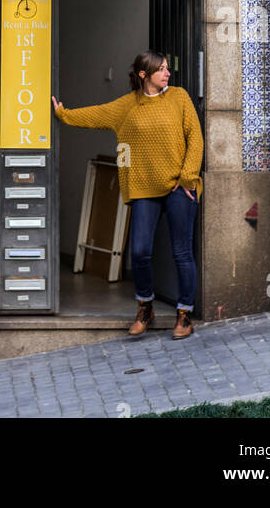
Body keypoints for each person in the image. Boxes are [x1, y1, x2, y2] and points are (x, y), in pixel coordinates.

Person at [52, 51, 203, 340]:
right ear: (144, 75)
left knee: (182, 252)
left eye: (168, 69)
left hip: (179, 187)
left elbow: (194, 137)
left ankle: (184, 313)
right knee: (139, 251)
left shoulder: (180, 98)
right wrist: (63, 114)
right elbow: (95, 115)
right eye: (161, 70)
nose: (167, 74)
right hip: (145, 188)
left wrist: (187, 178)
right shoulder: (127, 105)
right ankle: (145, 306)